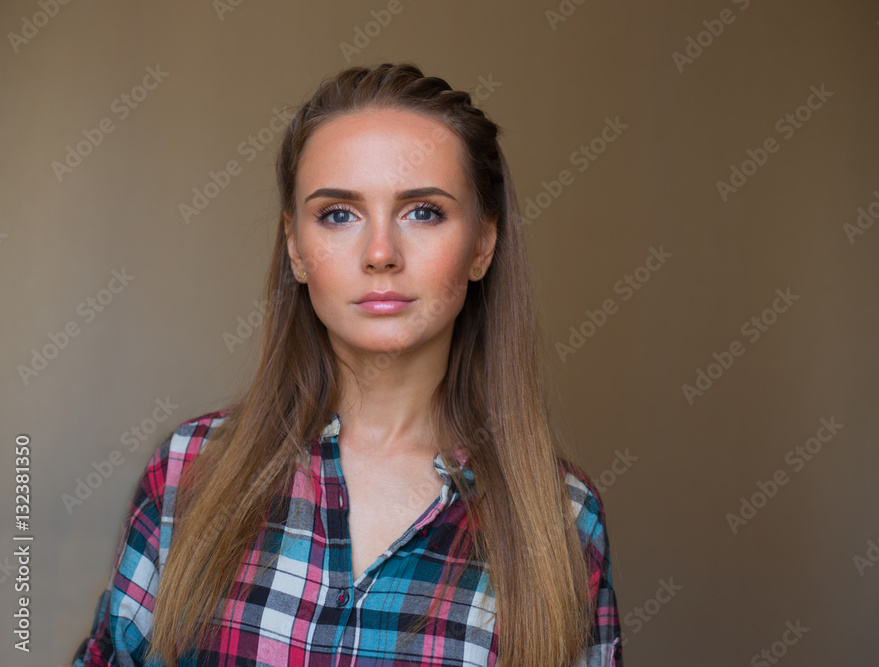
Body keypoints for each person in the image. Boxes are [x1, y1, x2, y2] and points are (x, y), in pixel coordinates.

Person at [72, 62, 622, 667]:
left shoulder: (563, 519)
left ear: (483, 245)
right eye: (338, 214)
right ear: (295, 248)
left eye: (423, 212)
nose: (380, 253)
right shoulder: (189, 472)